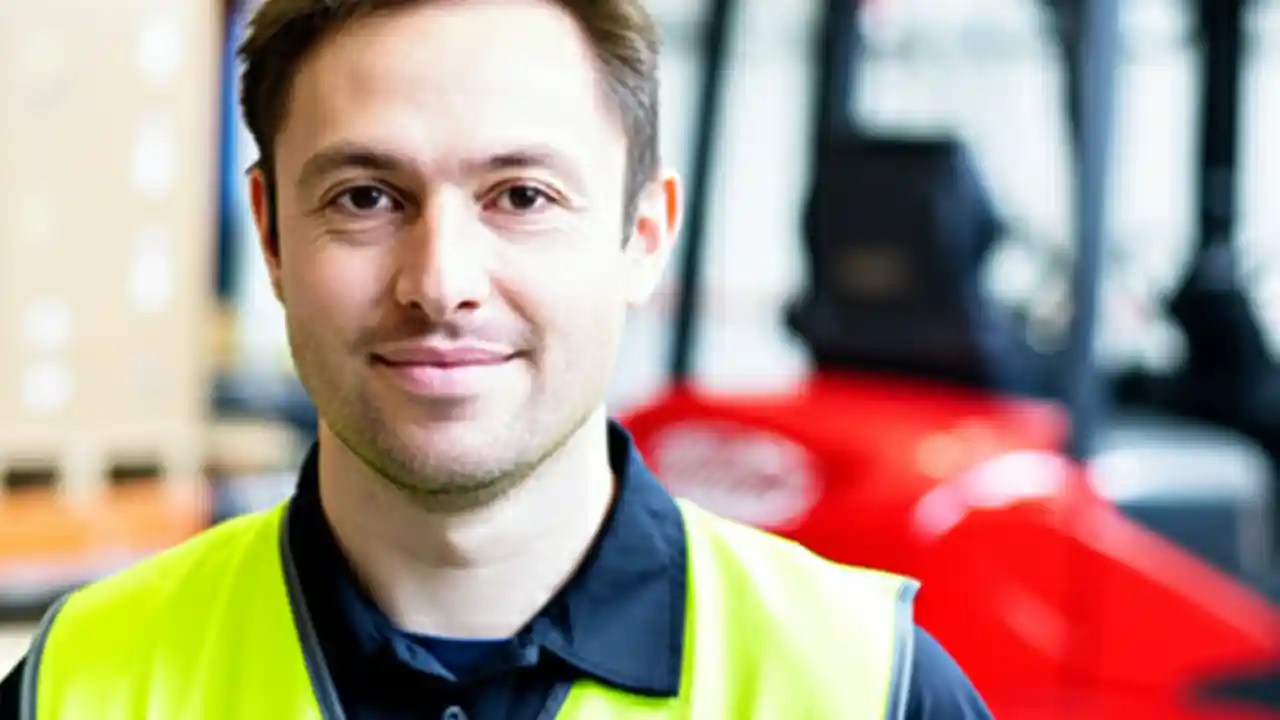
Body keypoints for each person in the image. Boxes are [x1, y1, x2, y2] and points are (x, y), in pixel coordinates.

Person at [0, 0, 994, 717]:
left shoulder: (867, 687)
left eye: (520, 196)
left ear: (643, 235)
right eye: (364, 197)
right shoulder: (85, 682)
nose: (439, 282)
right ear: (268, 235)